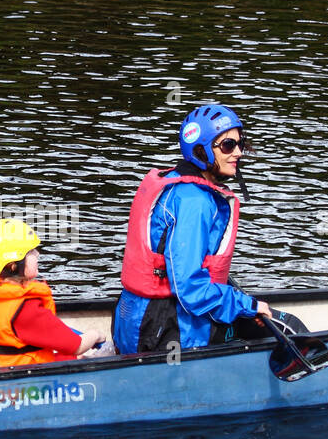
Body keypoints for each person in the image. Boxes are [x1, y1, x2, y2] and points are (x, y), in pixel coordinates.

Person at [114, 104, 298, 354]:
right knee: (285, 327)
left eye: (240, 143)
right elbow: (190, 288)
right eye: (228, 145)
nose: (239, 153)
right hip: (164, 331)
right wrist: (249, 305)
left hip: (135, 321)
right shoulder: (194, 202)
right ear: (201, 151)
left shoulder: (173, 182)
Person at [0, 218, 106, 370]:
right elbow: (77, 345)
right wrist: (96, 335)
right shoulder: (25, 309)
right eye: (31, 252)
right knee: (80, 355)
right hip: (22, 383)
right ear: (13, 265)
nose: (38, 254)